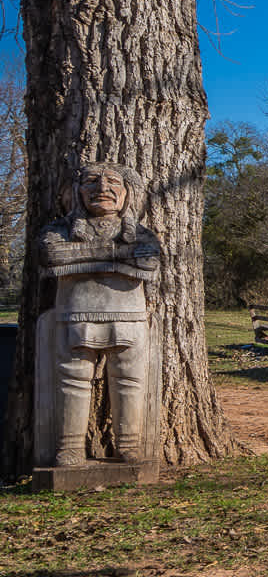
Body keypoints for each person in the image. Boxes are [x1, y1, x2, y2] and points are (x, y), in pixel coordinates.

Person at [38, 162, 160, 467]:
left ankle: (129, 445)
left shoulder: (140, 233)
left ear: (127, 193)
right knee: (73, 379)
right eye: (91, 181)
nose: (102, 188)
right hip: (75, 314)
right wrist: (119, 258)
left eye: (112, 182)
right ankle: (70, 447)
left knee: (129, 380)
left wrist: (82, 259)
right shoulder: (59, 231)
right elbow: (53, 257)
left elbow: (147, 263)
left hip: (129, 315)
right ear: (77, 193)